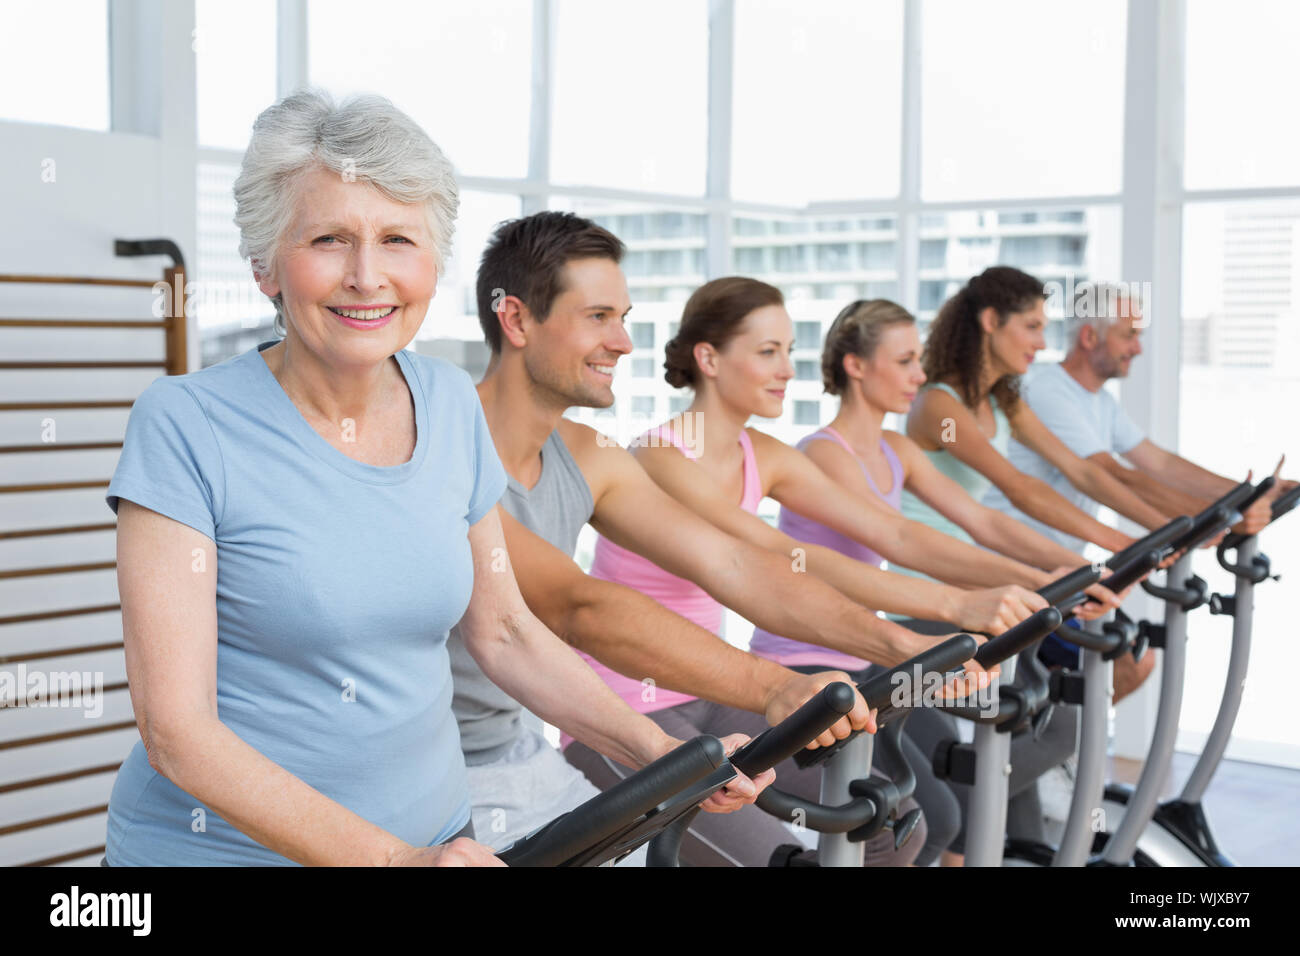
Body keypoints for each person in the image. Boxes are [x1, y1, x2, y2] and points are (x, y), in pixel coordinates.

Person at [101, 91, 763, 867]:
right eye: (328, 239)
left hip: (443, 840)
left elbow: (505, 632)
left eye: (397, 240)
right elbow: (177, 732)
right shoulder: (186, 425)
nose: (366, 276)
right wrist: (394, 862)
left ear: (433, 264)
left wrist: (661, 755)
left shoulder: (447, 401)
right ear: (264, 265)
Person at [458, 213, 998, 866]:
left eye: (623, 318)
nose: (623, 342)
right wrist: (774, 684)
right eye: (598, 316)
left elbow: (735, 563)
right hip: (501, 745)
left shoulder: (591, 454)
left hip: (543, 735)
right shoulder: (449, 445)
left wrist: (908, 645)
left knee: (894, 824)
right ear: (516, 320)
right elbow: (579, 607)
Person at [746, 297, 1126, 863]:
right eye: (904, 362)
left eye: (919, 361)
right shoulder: (824, 453)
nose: (919, 376)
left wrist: (1064, 570)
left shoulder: (896, 448)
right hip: (807, 662)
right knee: (935, 816)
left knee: (951, 806)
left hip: (867, 657)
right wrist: (1023, 580)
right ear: (856, 366)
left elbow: (982, 521)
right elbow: (900, 539)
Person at [984, 281, 1292, 693]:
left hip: (1059, 568)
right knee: (1127, 662)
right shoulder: (1048, 391)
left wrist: (1247, 494)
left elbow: (1159, 463)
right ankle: (1040, 731)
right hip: (1015, 565)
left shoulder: (1100, 402)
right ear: (1089, 337)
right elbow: (1108, 474)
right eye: (1129, 335)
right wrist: (1212, 518)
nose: (1138, 348)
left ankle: (1045, 730)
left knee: (1127, 660)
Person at [902, 267, 1182, 574]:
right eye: (1032, 327)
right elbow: (1018, 487)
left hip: (967, 571)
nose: (1042, 343)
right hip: (927, 577)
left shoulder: (1003, 404)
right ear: (991, 321)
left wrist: (1163, 529)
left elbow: (1080, 471)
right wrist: (1121, 543)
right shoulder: (941, 413)